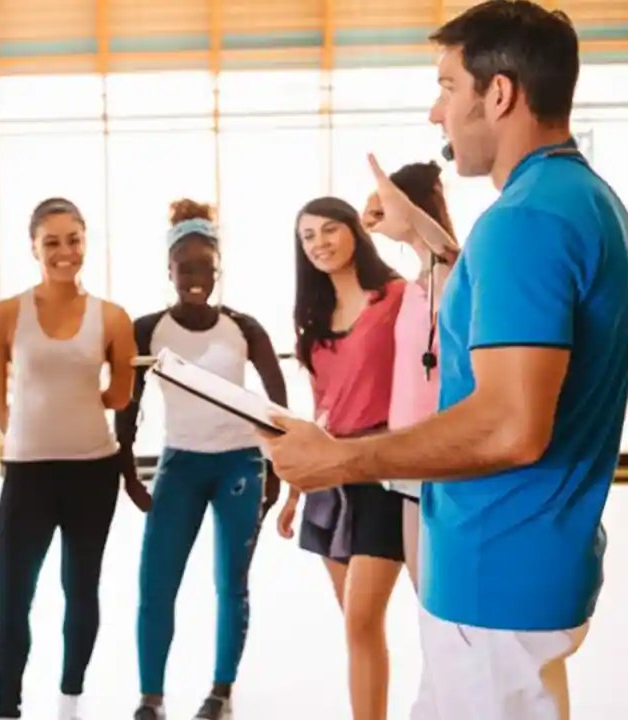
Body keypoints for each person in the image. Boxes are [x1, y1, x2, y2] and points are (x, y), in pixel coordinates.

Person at [262, 3, 628, 719]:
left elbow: (509, 427)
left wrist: (337, 460)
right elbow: (513, 323)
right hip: (524, 568)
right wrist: (427, 239)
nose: (436, 113)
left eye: (448, 87)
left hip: (497, 574)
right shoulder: (580, 202)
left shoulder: (524, 221)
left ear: (499, 94)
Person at [117, 200, 288, 720]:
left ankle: (221, 691)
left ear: (217, 271)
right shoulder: (148, 328)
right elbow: (129, 405)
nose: (195, 277)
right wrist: (128, 472)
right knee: (156, 583)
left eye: (204, 268)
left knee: (231, 582)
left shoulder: (243, 328)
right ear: (168, 270)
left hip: (239, 466)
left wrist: (275, 472)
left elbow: (275, 403)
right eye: (184, 267)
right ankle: (151, 697)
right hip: (180, 466)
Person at [0, 197, 136, 720]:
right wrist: (30, 433)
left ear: (85, 242)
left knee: (81, 588)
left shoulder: (112, 317)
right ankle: (7, 707)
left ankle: (70, 701)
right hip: (28, 474)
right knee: (13, 595)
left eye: (73, 239)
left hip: (94, 471)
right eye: (52, 242)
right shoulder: (6, 314)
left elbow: (120, 395)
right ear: (34, 247)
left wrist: (65, 411)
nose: (64, 251)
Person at [282, 196, 406, 720]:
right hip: (330, 477)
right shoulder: (311, 318)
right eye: (308, 236)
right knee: (357, 628)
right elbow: (320, 408)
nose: (319, 243)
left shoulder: (398, 296)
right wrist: (295, 490)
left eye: (330, 230)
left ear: (356, 231)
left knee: (361, 617)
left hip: (383, 467)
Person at [361, 159, 460, 585]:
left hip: (443, 458)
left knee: (443, 599)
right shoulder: (414, 285)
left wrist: (412, 220)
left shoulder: (453, 275)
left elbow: (449, 253)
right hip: (407, 462)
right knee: (425, 594)